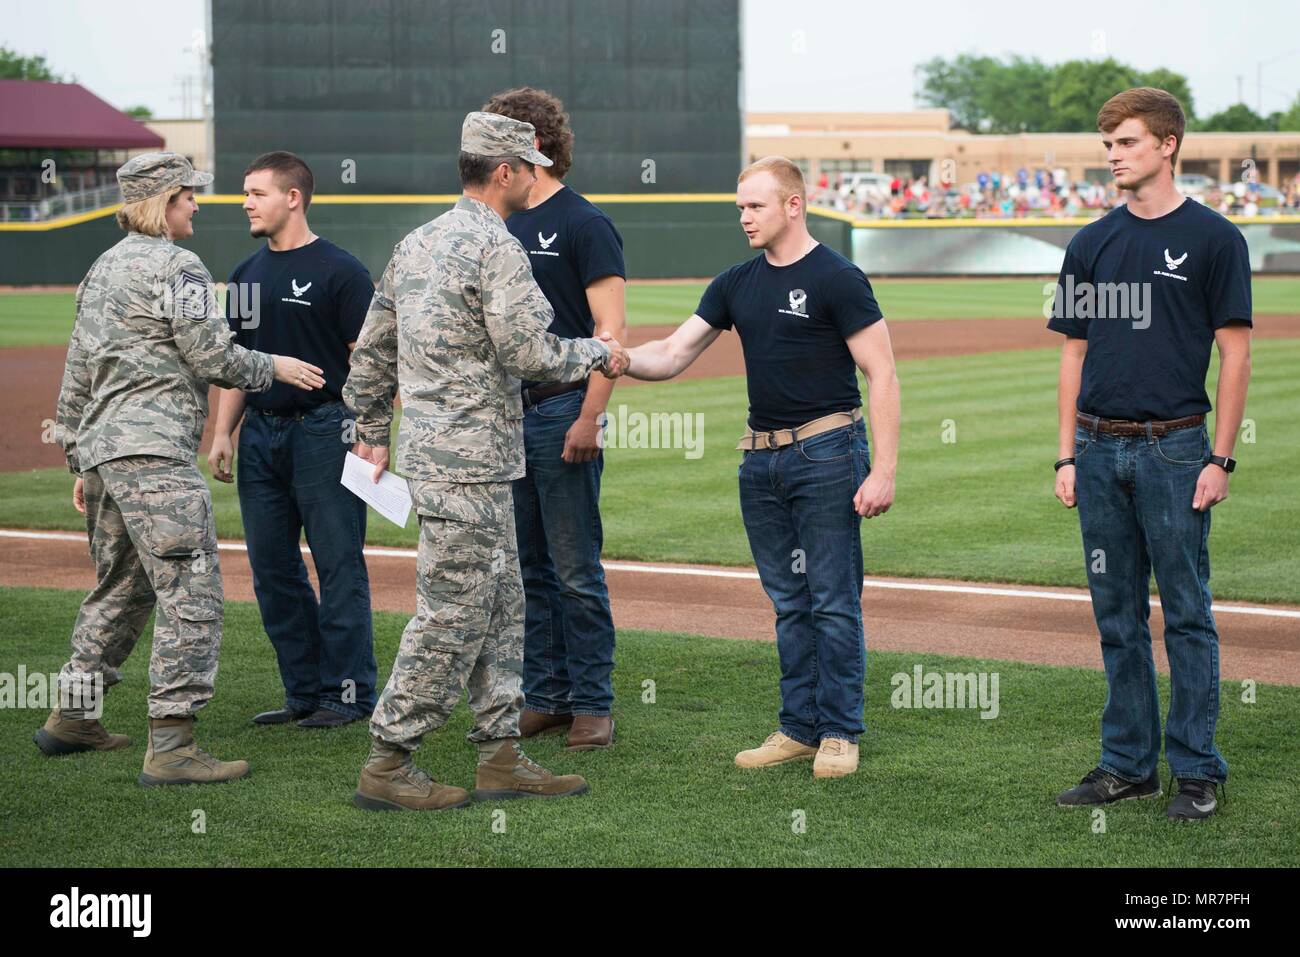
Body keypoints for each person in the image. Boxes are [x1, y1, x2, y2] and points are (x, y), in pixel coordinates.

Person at [343, 112, 630, 812]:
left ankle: (500, 753)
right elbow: (528, 353)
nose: (534, 176)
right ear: (504, 171)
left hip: (456, 459)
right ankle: (389, 757)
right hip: (471, 462)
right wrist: (598, 350)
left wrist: (372, 430)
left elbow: (370, 352)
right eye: (527, 166)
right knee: (453, 613)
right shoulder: (495, 247)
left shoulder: (415, 243)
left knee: (504, 604)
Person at [39, 151, 325, 786]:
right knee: (191, 594)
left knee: (122, 587)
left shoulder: (102, 268)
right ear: (164, 201)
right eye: (189, 195)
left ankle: (73, 717)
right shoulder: (178, 265)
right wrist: (275, 366)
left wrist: (78, 463)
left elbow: (77, 372)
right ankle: (172, 745)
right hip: (154, 455)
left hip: (104, 454)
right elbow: (213, 357)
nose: (198, 204)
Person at [624, 156, 900, 779]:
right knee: (788, 601)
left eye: (755, 205)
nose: (744, 217)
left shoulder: (837, 277)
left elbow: (881, 373)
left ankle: (839, 732)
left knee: (832, 601)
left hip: (827, 453)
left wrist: (882, 469)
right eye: (741, 207)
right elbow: (671, 354)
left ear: (793, 205)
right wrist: (611, 357)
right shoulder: (734, 283)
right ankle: (798, 728)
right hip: (760, 461)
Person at [1050, 88, 1252, 821]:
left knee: (1189, 615)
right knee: (1116, 613)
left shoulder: (1214, 239)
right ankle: (1128, 766)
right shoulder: (1091, 241)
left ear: (1167, 145)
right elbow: (1074, 353)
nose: (1113, 156)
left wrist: (1220, 460)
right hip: (1098, 450)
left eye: (1126, 143)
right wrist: (1065, 454)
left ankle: (1197, 770)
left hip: (1176, 450)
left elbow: (1234, 355)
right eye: (1108, 145)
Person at [208, 151, 378, 730]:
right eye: (244, 193)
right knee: (273, 570)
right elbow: (236, 363)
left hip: (325, 432)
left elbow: (372, 365)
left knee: (338, 567)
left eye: (256, 192)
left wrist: (367, 435)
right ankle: (304, 692)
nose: (247, 203)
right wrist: (223, 432)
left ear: (293, 197)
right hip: (259, 437)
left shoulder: (341, 271)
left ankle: (348, 695)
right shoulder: (244, 274)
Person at [482, 86, 625, 751]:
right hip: (511, 412)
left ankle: (593, 703)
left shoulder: (584, 223)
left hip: (564, 405)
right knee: (529, 568)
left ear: (528, 146)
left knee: (574, 568)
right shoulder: (499, 222)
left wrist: (590, 417)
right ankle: (548, 695)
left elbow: (611, 333)